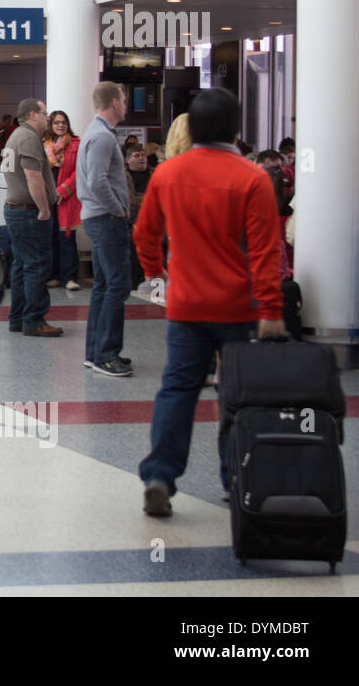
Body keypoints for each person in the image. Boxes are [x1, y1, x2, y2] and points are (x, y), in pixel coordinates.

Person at [135, 87, 285, 517]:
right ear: (236, 128)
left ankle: (161, 475)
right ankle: (234, 478)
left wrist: (154, 273)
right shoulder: (252, 178)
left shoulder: (167, 174)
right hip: (237, 309)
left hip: (186, 306)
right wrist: (272, 310)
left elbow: (144, 234)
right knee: (235, 396)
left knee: (177, 390)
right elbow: (265, 251)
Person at [76, 84, 133, 378]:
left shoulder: (95, 133)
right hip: (105, 218)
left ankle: (95, 352)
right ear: (113, 102)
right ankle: (106, 354)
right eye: (123, 100)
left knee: (102, 284)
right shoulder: (101, 137)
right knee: (117, 286)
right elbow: (97, 181)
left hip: (98, 217)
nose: (126, 105)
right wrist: (118, 209)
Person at [1, 98, 63, 337]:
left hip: (16, 210)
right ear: (32, 115)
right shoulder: (27, 138)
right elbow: (33, 177)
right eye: (45, 114)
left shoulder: (15, 136)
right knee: (37, 265)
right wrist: (44, 208)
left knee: (21, 266)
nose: (47, 118)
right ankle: (34, 319)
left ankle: (18, 317)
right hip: (28, 212)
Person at [43, 111, 82, 291]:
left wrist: (63, 190)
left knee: (67, 237)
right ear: (51, 125)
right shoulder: (44, 145)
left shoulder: (76, 144)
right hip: (48, 196)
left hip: (66, 196)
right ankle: (53, 275)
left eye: (63, 122)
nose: (60, 125)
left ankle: (70, 277)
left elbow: (79, 172)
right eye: (57, 122)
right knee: (50, 237)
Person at [125, 144, 152, 288]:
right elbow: (131, 201)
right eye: (137, 156)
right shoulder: (124, 176)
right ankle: (136, 280)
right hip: (132, 220)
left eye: (143, 155)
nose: (141, 158)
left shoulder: (155, 173)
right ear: (128, 160)